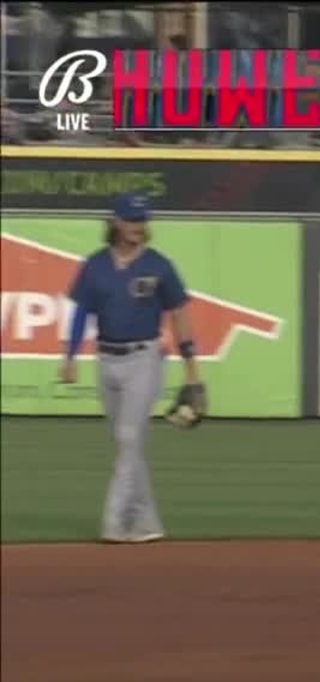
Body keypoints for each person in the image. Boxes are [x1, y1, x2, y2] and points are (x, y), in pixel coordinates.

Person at [58, 193, 202, 543]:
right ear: (116, 223)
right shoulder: (95, 265)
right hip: (105, 359)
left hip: (144, 358)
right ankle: (148, 522)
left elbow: (179, 312)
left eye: (142, 220)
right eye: (132, 220)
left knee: (128, 438)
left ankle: (115, 523)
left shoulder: (158, 265)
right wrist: (71, 355)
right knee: (127, 445)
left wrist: (192, 369)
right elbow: (81, 313)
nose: (139, 226)